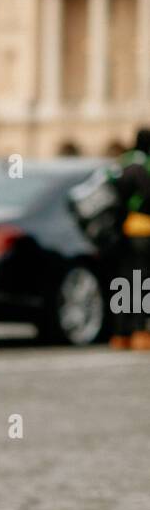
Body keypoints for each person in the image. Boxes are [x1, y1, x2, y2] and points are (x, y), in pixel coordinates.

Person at [108, 127, 150, 351]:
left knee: (124, 281)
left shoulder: (122, 164)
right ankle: (140, 332)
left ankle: (120, 334)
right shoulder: (143, 167)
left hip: (122, 232)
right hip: (143, 231)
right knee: (141, 283)